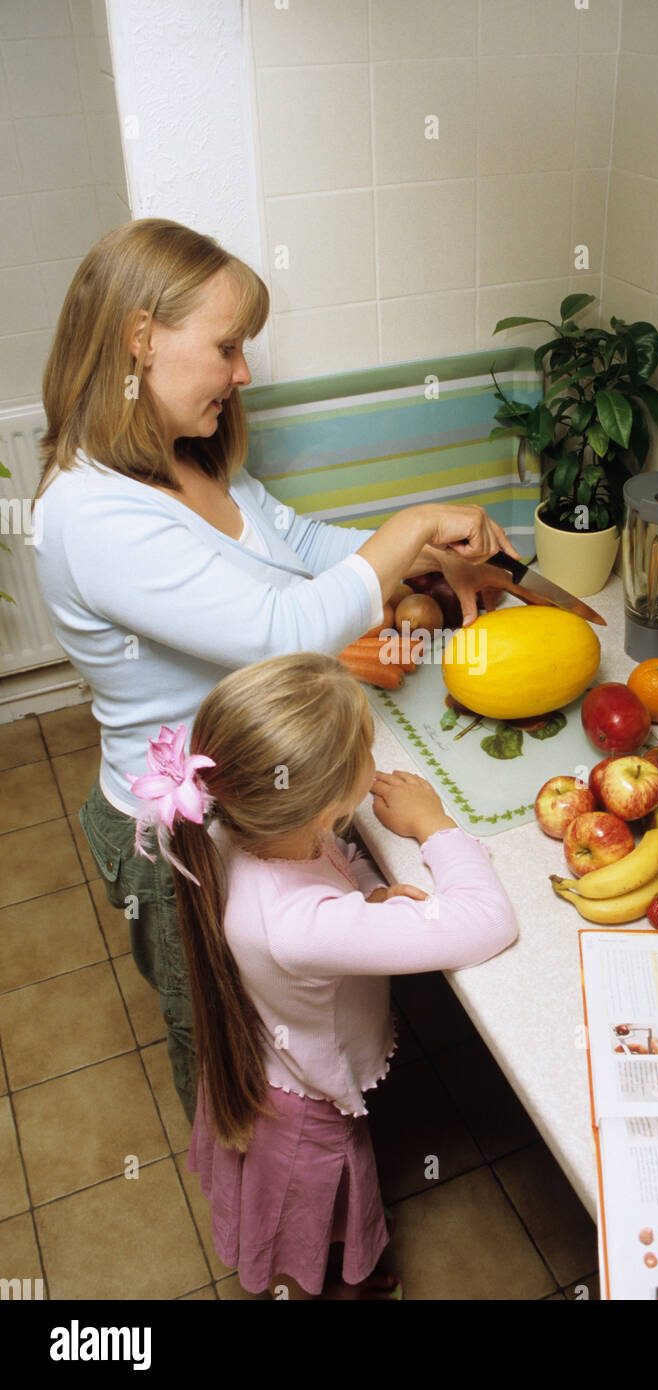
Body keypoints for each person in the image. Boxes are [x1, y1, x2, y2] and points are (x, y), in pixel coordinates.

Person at [32, 218, 530, 1121]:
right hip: (178, 843)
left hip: (261, 803)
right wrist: (411, 526)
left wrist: (421, 565)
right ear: (141, 339)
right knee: (222, 1043)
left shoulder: (185, 460)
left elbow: (296, 544)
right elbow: (278, 631)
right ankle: (259, 1211)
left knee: (284, 1033)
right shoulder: (91, 514)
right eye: (227, 347)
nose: (244, 373)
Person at [126, 652, 517, 1300]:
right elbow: (488, 921)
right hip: (305, 1110)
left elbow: (334, 861)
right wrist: (434, 827)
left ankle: (341, 1266)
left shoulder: (234, 826)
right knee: (307, 1222)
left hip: (267, 1061)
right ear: (331, 803)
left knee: (315, 1213)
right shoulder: (302, 926)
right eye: (367, 744)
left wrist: (367, 895)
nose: (372, 751)